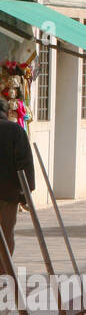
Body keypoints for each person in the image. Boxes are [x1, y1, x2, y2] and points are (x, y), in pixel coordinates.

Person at [0, 99, 34, 260]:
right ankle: (3, 273)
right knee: (6, 235)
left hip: (8, 193)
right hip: (8, 193)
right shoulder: (15, 130)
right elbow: (25, 162)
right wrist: (25, 194)